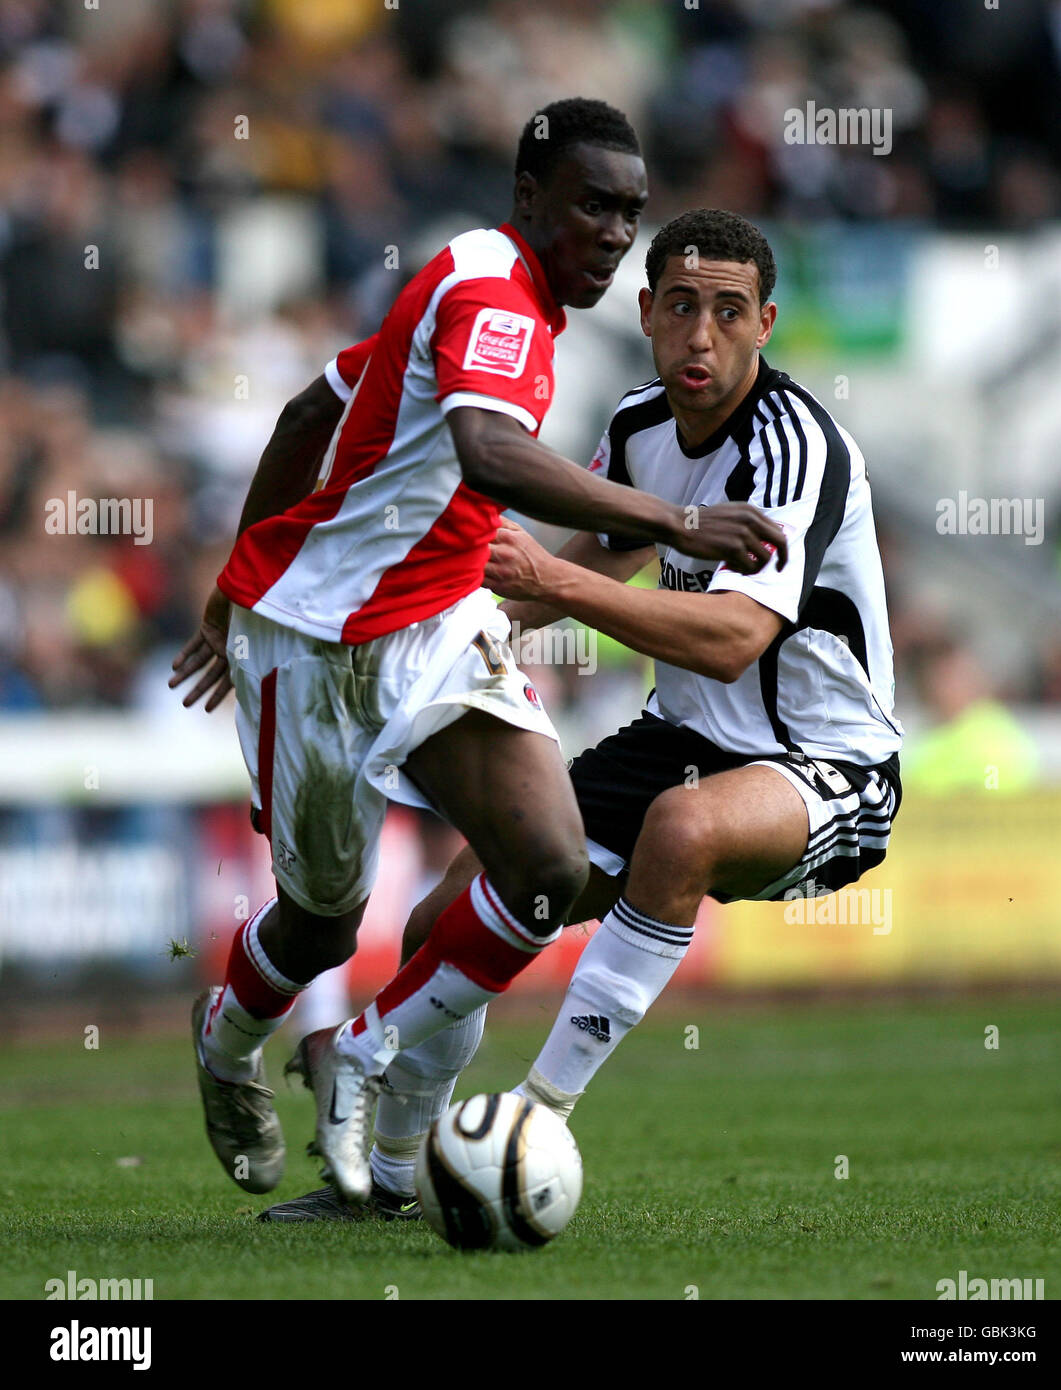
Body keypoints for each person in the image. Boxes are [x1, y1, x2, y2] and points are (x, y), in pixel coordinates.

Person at [170, 105, 788, 1209]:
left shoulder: (493, 294)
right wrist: (677, 521)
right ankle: (226, 1046)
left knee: (550, 863)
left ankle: (369, 1081)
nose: (612, 232)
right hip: (316, 640)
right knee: (320, 923)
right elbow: (490, 452)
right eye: (592, 205)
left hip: (440, 625)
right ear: (528, 197)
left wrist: (229, 575)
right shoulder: (492, 290)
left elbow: (318, 405)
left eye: (628, 213)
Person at [258, 207, 903, 1223]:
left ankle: (532, 1113)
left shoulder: (794, 448)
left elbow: (733, 637)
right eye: (681, 307)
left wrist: (555, 580)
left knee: (679, 830)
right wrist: (459, 627)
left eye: (729, 312)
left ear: (766, 322)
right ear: (645, 312)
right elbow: (586, 568)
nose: (701, 335)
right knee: (451, 911)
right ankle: (382, 1183)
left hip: (825, 762)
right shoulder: (642, 425)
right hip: (681, 744)